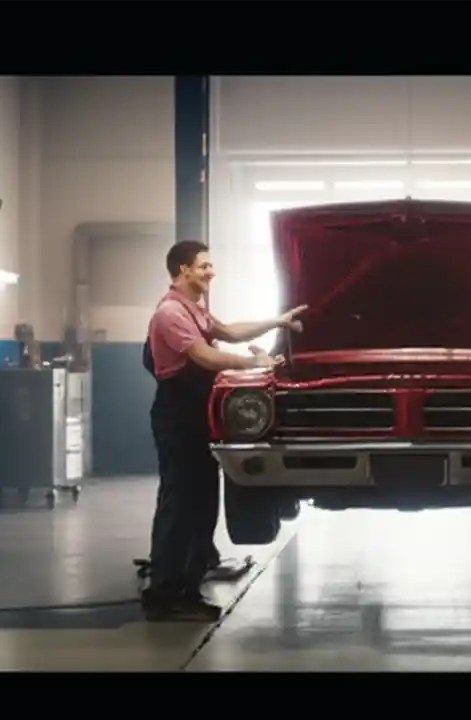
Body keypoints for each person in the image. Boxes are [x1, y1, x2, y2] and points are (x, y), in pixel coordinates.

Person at [140, 240, 306, 621]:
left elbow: (230, 332)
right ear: (183, 270)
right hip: (177, 416)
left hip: (197, 415)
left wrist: (276, 321)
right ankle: (165, 594)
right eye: (204, 266)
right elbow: (204, 356)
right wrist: (254, 366)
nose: (210, 272)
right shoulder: (170, 313)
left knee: (200, 502)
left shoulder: (195, 309)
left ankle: (189, 584)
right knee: (180, 504)